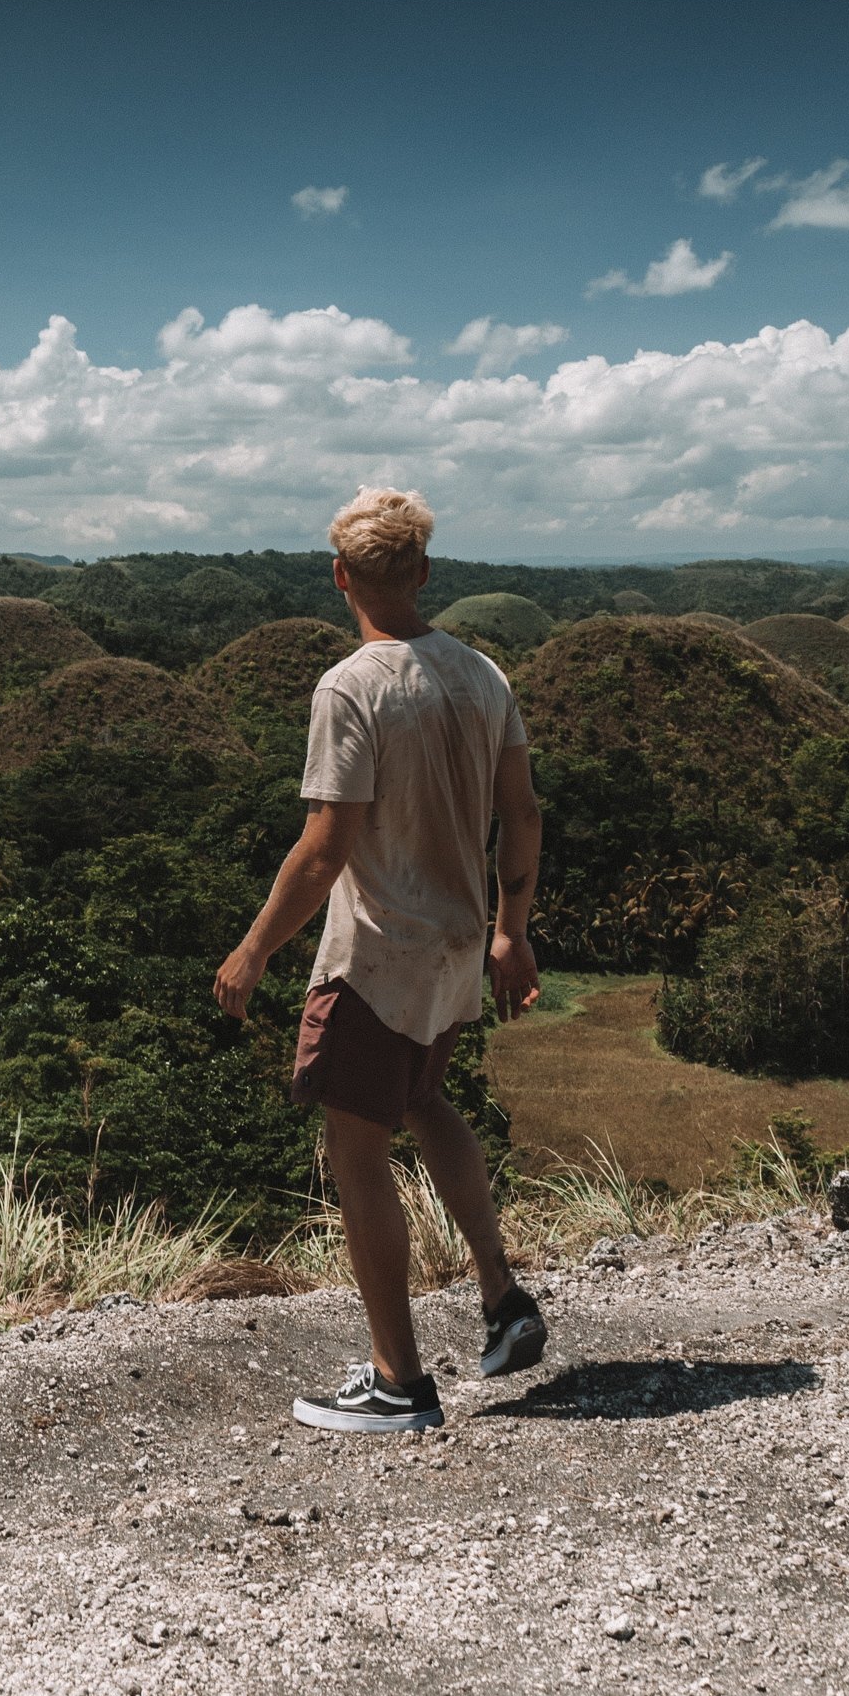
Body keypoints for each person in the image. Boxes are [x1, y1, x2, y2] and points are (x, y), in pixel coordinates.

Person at [214, 487, 547, 1433]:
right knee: (419, 1102)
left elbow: (325, 847)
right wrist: (512, 929)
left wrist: (252, 951)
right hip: (454, 946)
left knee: (356, 1150)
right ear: (426, 573)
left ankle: (398, 1381)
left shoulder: (350, 687)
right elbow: (521, 811)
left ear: (341, 576)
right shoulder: (483, 675)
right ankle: (500, 1295)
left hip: (377, 956)